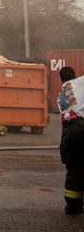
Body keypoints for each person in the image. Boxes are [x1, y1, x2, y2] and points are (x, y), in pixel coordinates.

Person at [58, 66, 84, 214]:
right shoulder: (79, 82)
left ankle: (72, 206)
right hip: (81, 127)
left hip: (68, 132)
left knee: (74, 170)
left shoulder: (61, 94)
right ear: (75, 75)